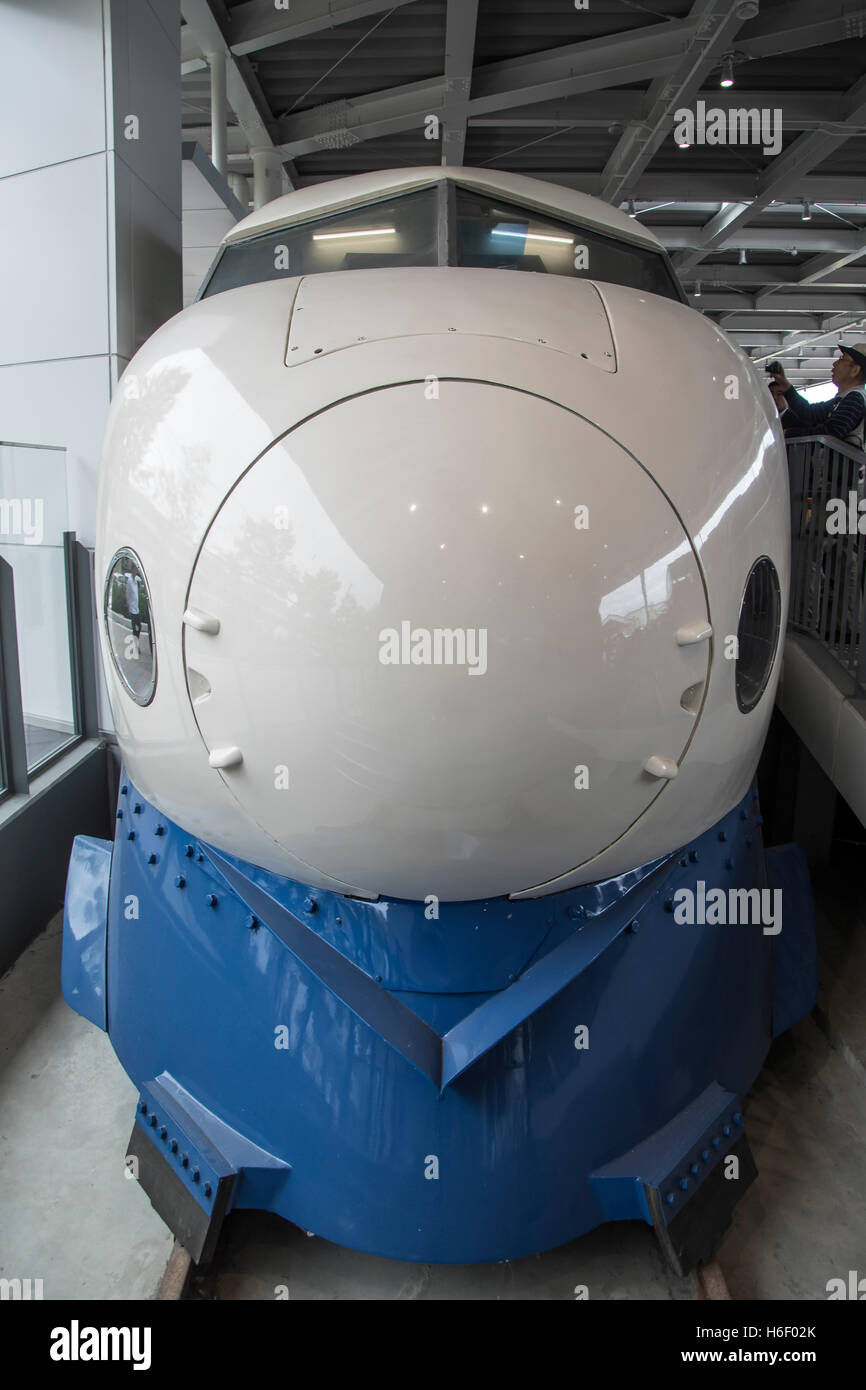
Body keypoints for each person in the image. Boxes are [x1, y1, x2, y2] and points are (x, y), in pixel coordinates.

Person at [769, 343, 866, 448]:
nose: (834, 364)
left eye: (842, 359)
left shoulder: (854, 399)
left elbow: (832, 432)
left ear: (855, 370)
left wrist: (788, 433)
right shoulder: (844, 399)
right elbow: (808, 412)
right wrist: (785, 384)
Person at [124, 567, 141, 659]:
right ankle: (136, 646)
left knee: (138, 627)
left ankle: (136, 645)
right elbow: (127, 593)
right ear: (132, 571)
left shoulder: (135, 580)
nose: (136, 571)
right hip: (132, 608)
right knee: (136, 627)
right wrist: (128, 605)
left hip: (136, 608)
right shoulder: (130, 581)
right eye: (135, 570)